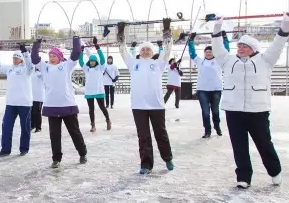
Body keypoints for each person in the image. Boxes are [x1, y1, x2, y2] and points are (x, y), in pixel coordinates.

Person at [212, 15, 289, 189]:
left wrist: (286, 23)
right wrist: (218, 26)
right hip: (233, 110)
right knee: (239, 146)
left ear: (253, 48)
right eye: (239, 45)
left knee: (264, 143)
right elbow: (217, 48)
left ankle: (274, 170)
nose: (241, 48)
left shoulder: (265, 60)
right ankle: (244, 176)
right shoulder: (227, 60)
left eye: (245, 46)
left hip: (257, 110)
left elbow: (278, 44)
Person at [117, 20, 174, 175]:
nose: (146, 52)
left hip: (156, 105)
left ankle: (167, 157)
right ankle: (146, 164)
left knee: (160, 133)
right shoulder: (132, 63)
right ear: (140, 52)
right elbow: (122, 50)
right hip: (138, 105)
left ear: (152, 52)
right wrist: (120, 32)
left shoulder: (158, 63)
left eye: (148, 50)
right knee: (143, 136)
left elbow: (168, 49)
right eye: (143, 50)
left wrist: (167, 30)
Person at [31, 38, 88, 168]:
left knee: (74, 132)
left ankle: (82, 153)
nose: (52, 58)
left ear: (59, 57)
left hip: (67, 105)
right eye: (50, 56)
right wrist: (36, 44)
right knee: (54, 135)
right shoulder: (45, 67)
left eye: (54, 56)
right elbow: (34, 58)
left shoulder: (66, 65)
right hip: (52, 106)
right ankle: (56, 159)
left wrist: (76, 40)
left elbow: (75, 54)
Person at [0, 43, 34, 156]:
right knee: (6, 126)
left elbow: (30, 64)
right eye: (14, 58)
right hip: (11, 103)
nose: (15, 60)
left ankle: (24, 148)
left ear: (21, 59)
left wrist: (25, 52)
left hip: (24, 103)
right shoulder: (9, 69)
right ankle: (5, 149)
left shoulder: (27, 69)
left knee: (25, 127)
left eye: (17, 58)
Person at [188, 32, 230, 138]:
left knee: (215, 111)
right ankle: (207, 130)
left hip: (216, 89)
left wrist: (224, 38)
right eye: (206, 52)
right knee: (205, 112)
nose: (208, 53)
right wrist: (191, 40)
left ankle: (217, 126)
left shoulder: (218, 61)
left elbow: (226, 51)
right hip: (202, 90)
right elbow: (192, 53)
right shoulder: (200, 61)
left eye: (210, 51)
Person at [79, 37, 111, 132]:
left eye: (94, 61)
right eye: (91, 61)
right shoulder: (86, 68)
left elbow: (102, 58)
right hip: (89, 91)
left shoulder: (100, 67)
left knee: (102, 107)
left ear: (96, 61)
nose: (92, 62)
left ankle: (108, 120)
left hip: (99, 90)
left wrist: (97, 47)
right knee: (91, 109)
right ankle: (93, 125)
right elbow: (80, 61)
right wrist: (81, 51)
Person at [31, 65, 44, 132]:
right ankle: (32, 125)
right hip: (31, 97)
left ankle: (38, 127)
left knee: (37, 113)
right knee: (31, 112)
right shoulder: (31, 74)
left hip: (39, 97)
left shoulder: (41, 74)